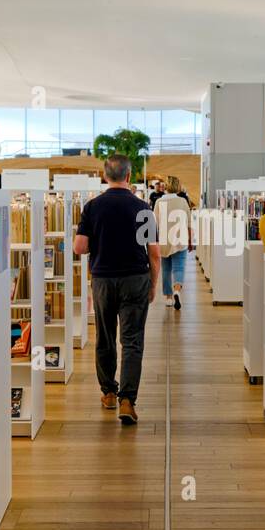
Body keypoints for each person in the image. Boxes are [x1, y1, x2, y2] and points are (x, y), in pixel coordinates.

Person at [74, 155, 160, 425]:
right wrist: (153, 284)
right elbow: (154, 253)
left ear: (104, 175)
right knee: (132, 340)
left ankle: (109, 393)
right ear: (129, 175)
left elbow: (79, 247)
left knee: (105, 336)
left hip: (102, 279)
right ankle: (127, 400)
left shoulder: (92, 207)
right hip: (136, 278)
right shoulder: (143, 207)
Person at [154, 175, 192, 309]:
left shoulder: (159, 202)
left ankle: (169, 297)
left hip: (164, 240)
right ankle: (177, 290)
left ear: (166, 186)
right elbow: (189, 223)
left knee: (166, 269)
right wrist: (190, 240)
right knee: (179, 268)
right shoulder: (183, 201)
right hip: (180, 240)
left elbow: (155, 223)